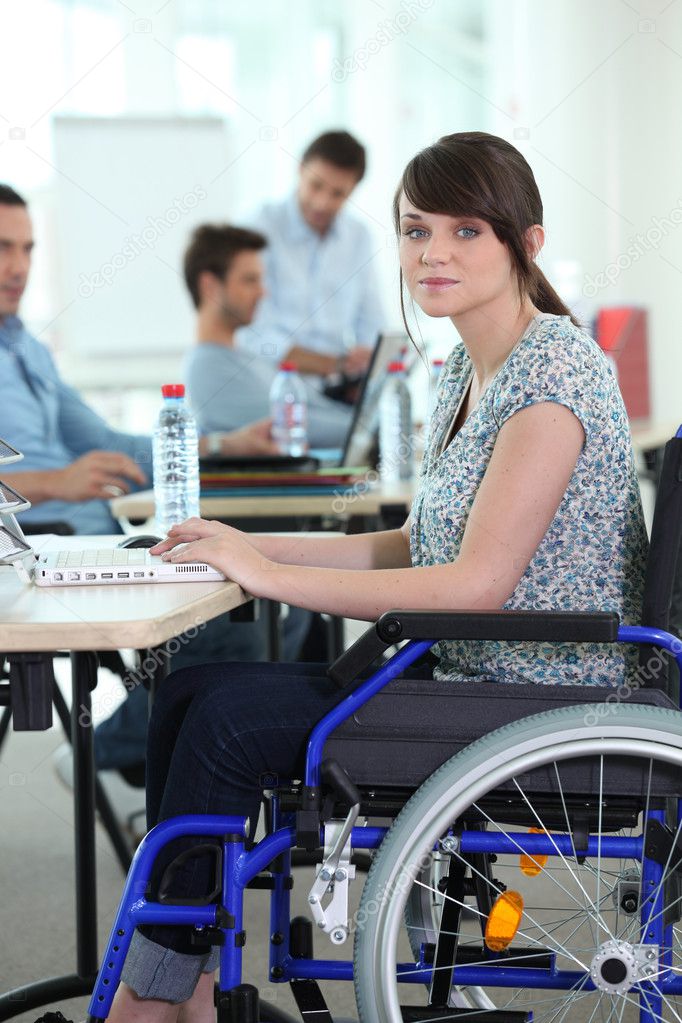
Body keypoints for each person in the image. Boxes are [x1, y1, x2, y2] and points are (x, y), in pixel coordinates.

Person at [108, 131, 648, 1019]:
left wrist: (269, 575)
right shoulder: (466, 371)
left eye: (466, 230)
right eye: (415, 229)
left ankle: (151, 997)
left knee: (230, 728)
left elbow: (474, 584)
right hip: (473, 671)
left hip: (536, 693)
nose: (433, 253)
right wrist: (251, 550)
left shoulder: (551, 374)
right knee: (191, 691)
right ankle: (190, 980)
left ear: (528, 242)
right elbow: (414, 543)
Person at [0, 184, 307, 791]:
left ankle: (165, 764)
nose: (19, 266)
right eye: (3, 248)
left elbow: (104, 437)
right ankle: (115, 749)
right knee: (233, 622)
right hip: (38, 554)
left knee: (271, 600)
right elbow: (69, 467)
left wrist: (220, 445)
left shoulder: (27, 348)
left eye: (29, 249)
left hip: (98, 544)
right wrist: (51, 481)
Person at [183, 223, 353, 448]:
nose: (263, 292)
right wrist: (374, 430)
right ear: (210, 286)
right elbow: (295, 426)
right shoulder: (207, 367)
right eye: (249, 280)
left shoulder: (250, 358)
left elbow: (321, 410)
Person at [236, 130, 384, 384]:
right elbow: (252, 333)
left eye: (338, 193)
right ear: (300, 170)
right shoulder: (259, 228)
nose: (322, 203)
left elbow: (372, 319)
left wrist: (367, 363)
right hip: (270, 382)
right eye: (316, 186)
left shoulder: (358, 236)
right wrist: (334, 364)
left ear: (353, 190)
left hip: (338, 387)